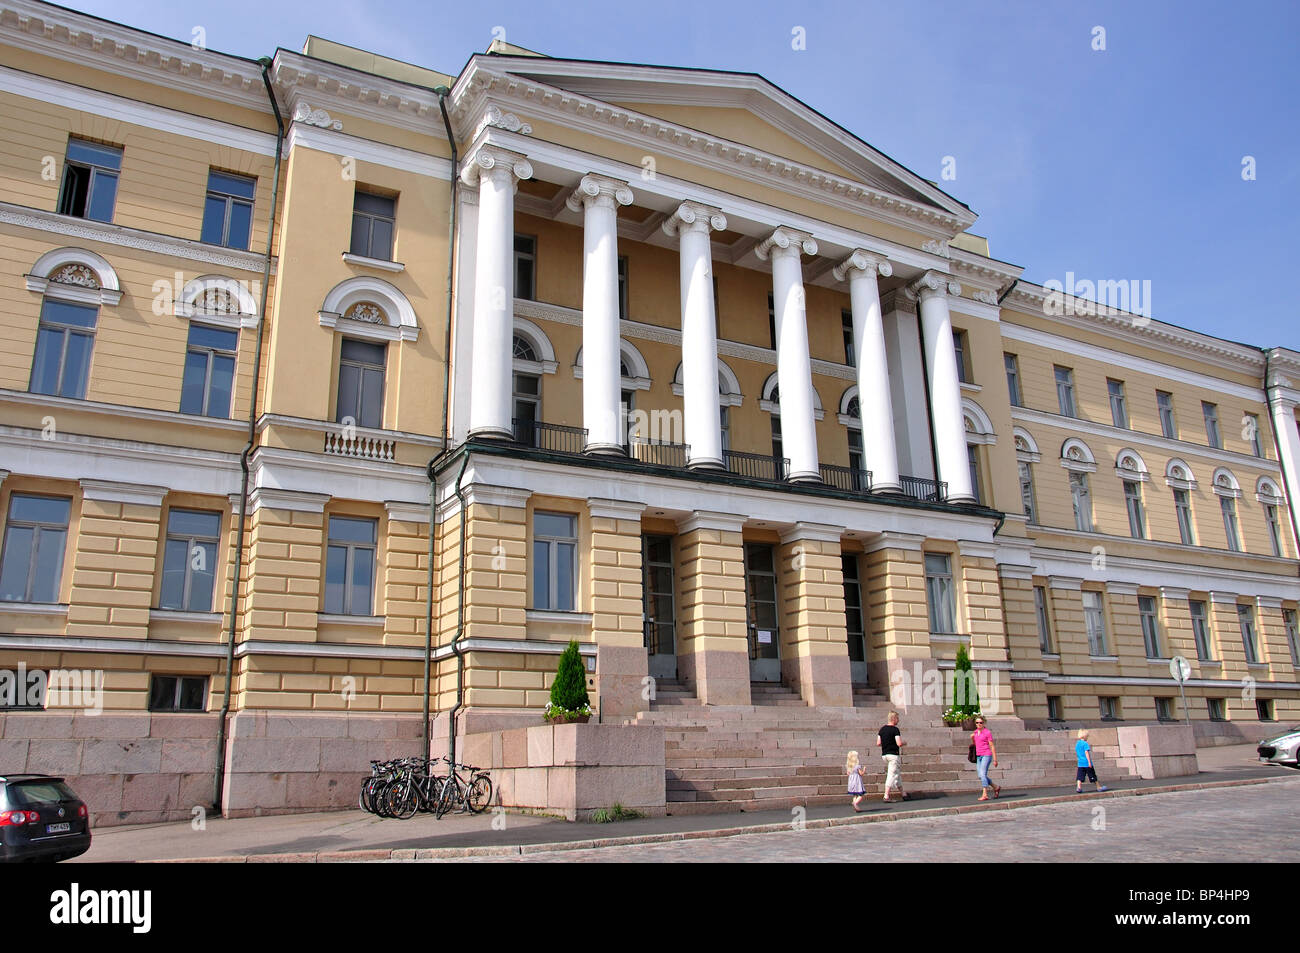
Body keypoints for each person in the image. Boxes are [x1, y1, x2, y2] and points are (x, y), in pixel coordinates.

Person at [876, 711, 908, 802]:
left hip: (885, 754)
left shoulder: (882, 729)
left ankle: (903, 794)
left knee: (896, 774)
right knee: (891, 775)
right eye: (897, 718)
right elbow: (899, 743)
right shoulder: (895, 730)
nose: (898, 720)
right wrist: (904, 743)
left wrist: (886, 743)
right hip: (893, 754)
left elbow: (878, 743)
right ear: (894, 719)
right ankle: (886, 796)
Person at [971, 716, 1000, 801]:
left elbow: (992, 746)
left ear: (984, 723)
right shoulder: (975, 732)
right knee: (980, 775)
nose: (979, 724)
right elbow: (975, 744)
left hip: (986, 755)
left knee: (983, 774)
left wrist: (995, 759)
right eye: (977, 723)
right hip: (979, 755)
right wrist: (972, 738)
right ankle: (996, 787)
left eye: (981, 722)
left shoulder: (987, 732)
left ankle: (985, 794)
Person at [1075, 729, 1109, 793]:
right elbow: (1086, 753)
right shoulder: (1085, 744)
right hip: (1086, 763)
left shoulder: (1078, 743)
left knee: (1080, 776)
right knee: (1092, 775)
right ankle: (1098, 787)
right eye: (1087, 736)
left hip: (1080, 763)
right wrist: (1089, 762)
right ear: (1085, 736)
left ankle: (1079, 787)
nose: (1087, 738)